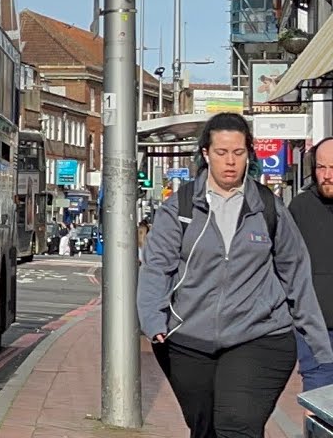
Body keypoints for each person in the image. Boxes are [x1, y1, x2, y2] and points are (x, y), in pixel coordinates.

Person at [138, 112, 332, 438]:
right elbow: (157, 266)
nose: (230, 162)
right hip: (189, 337)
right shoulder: (181, 208)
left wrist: (318, 344)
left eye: (238, 153)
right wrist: (153, 319)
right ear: (205, 154)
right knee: (205, 428)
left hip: (259, 334)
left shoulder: (268, 207)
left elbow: (295, 272)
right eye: (221, 152)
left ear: (249, 154)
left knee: (236, 425)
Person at [287, 136, 333, 391]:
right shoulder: (300, 207)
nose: (327, 175)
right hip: (314, 330)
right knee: (318, 398)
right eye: (321, 167)